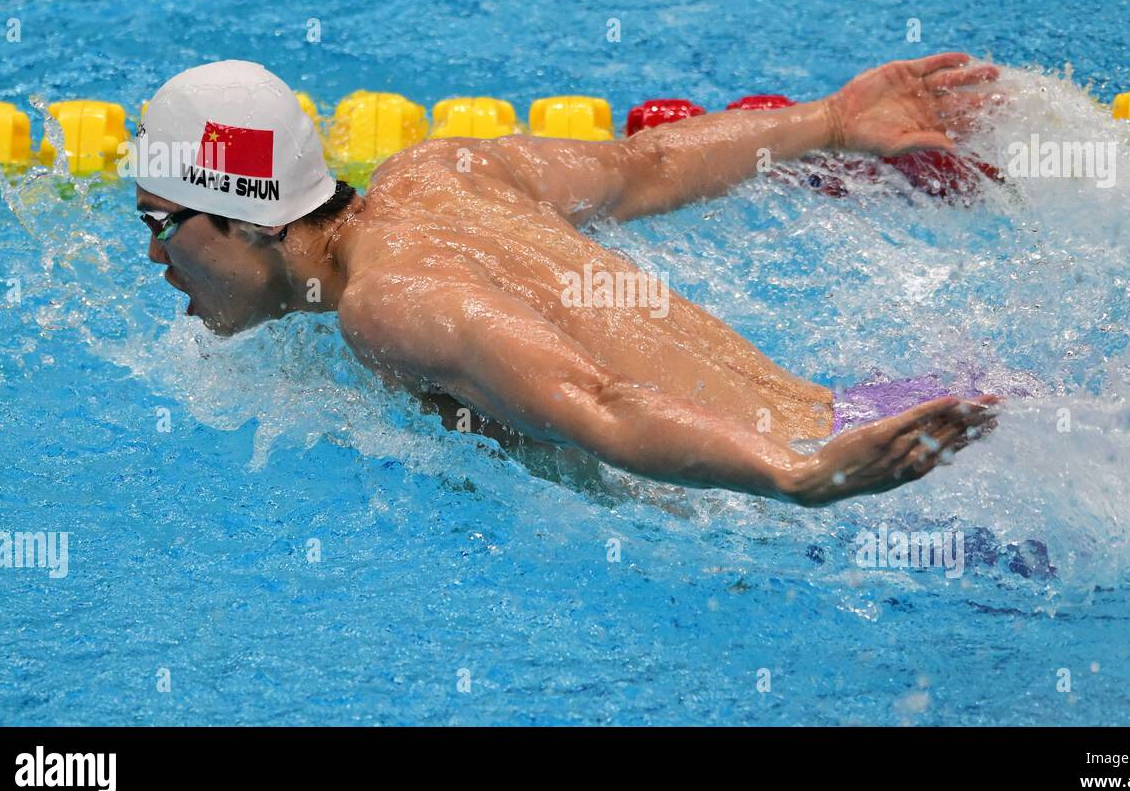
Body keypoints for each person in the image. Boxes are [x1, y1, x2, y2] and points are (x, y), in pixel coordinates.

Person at [134, 55, 1002, 507]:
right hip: (890, 413)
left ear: (247, 217)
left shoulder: (385, 305)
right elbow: (646, 164)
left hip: (867, 489)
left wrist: (799, 478)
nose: (151, 256)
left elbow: (600, 400)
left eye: (160, 222)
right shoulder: (442, 169)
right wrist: (832, 120)